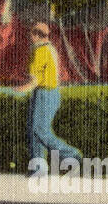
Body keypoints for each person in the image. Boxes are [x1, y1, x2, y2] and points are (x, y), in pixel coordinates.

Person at [16, 21, 81, 176]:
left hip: (45, 94)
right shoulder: (50, 48)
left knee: (39, 131)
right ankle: (38, 169)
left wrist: (20, 89)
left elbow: (35, 80)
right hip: (50, 93)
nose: (30, 36)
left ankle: (72, 155)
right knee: (34, 131)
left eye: (32, 33)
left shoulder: (40, 51)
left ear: (37, 35)